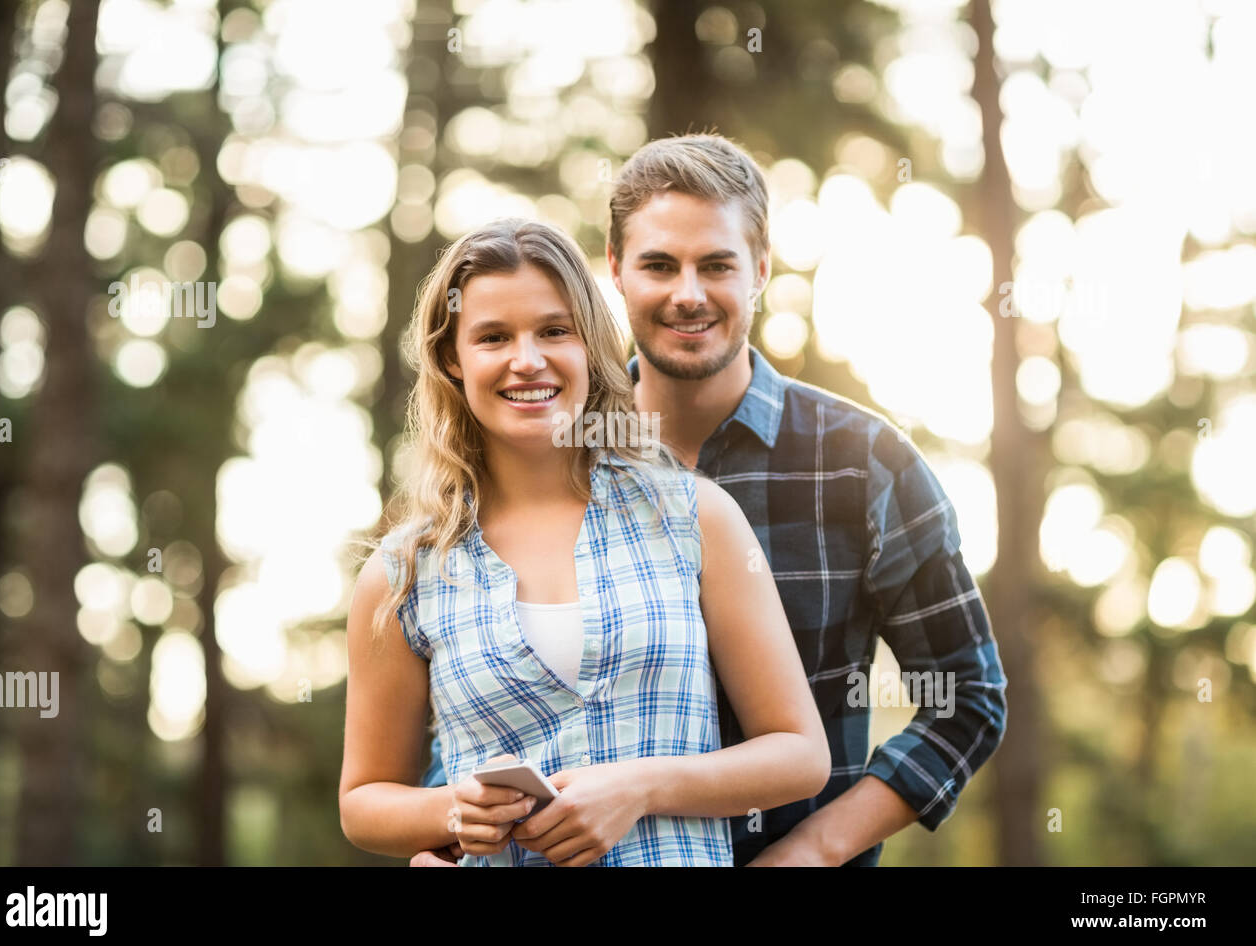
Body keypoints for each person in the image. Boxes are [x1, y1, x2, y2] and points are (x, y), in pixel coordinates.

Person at [412, 134, 1008, 867]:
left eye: (717, 264)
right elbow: (484, 697)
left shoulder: (864, 466)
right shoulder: (538, 452)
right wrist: (446, 842)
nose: (687, 293)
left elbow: (967, 698)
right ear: (616, 271)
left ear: (759, 269)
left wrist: (816, 850)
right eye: (659, 264)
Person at [339, 217, 831, 866]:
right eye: (493, 337)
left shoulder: (693, 517)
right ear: (454, 358)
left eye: (553, 331)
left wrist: (642, 787)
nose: (528, 360)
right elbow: (364, 800)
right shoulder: (404, 572)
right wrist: (452, 809)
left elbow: (800, 753)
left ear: (588, 344)